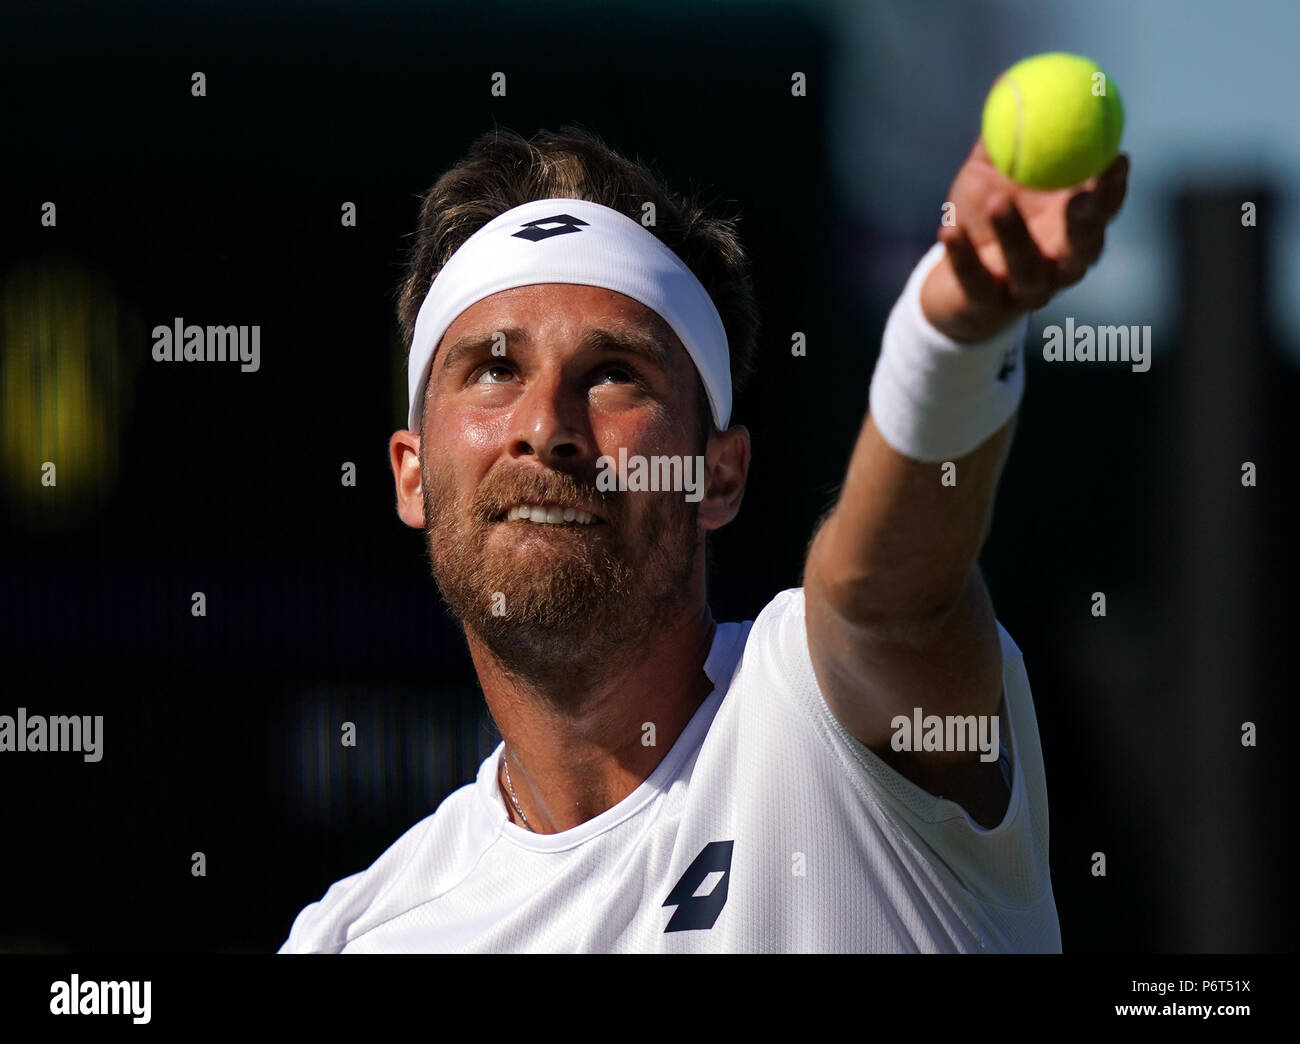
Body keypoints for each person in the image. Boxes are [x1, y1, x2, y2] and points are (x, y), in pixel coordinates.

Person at [279, 125, 1128, 952]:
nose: (545, 425)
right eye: (494, 369)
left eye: (615, 374)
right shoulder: (353, 936)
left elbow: (887, 598)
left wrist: (949, 339)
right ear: (413, 474)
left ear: (718, 476)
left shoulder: (822, 709)